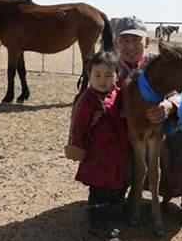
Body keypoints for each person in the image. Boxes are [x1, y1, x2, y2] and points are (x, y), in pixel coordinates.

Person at [113, 16, 182, 224]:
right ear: (117, 43)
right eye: (125, 41)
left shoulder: (163, 62)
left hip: (162, 127)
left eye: (136, 40)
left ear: (147, 42)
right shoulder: (110, 68)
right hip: (126, 132)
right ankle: (112, 197)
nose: (130, 47)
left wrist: (171, 105)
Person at [64, 51, 128, 236]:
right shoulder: (88, 99)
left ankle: (113, 213)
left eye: (108, 75)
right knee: (99, 188)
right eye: (97, 75)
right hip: (96, 153)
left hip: (117, 151)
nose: (102, 80)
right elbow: (79, 124)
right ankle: (97, 223)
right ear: (89, 74)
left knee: (117, 185)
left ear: (117, 76)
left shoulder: (119, 94)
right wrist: (77, 146)